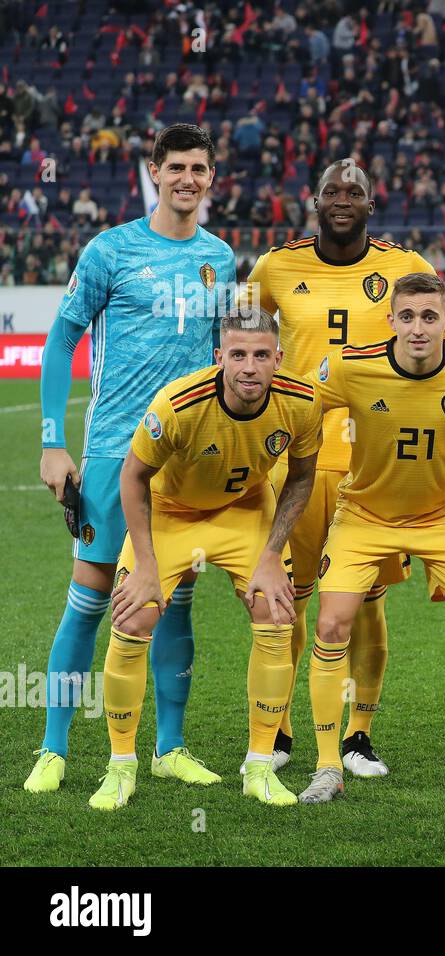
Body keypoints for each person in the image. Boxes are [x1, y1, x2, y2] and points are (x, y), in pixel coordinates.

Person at [27, 124, 237, 794]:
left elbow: (221, 358)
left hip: (186, 463)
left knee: (174, 604)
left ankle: (169, 747)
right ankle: (54, 749)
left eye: (198, 168)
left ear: (211, 177)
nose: (187, 178)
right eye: (175, 167)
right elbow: (60, 343)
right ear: (155, 172)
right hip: (118, 454)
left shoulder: (222, 257)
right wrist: (51, 440)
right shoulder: (110, 249)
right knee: (89, 601)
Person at [299, 273, 445, 804]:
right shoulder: (352, 366)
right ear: (391, 321)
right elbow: (297, 400)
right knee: (332, 623)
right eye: (408, 317)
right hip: (363, 514)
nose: (418, 327)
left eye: (429, 317)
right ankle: (327, 766)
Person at [245, 160, 439, 778]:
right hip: (295, 459)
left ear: (372, 201)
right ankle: (278, 730)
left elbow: (435, 345)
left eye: (355, 191)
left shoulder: (406, 268)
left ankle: (359, 734)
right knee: (289, 600)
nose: (343, 199)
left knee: (366, 601)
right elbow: (239, 336)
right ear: (315, 199)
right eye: (333, 190)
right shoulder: (276, 266)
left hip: (374, 463)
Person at [90, 307, 322, 810]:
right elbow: (132, 477)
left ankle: (260, 766)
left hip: (244, 509)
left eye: (261, 355)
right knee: (134, 617)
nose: (249, 367)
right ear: (219, 357)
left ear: (278, 359)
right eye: (238, 354)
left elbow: (302, 476)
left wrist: (271, 554)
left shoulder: (302, 401)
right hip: (172, 514)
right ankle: (121, 766)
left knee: (277, 612)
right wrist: (147, 568)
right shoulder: (179, 403)